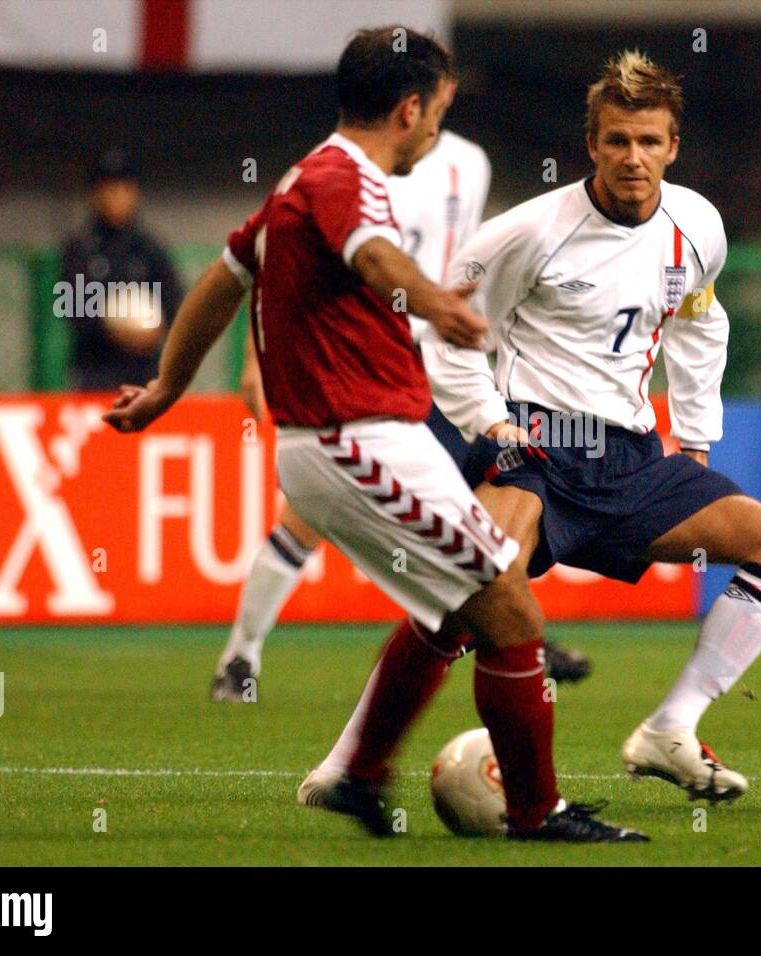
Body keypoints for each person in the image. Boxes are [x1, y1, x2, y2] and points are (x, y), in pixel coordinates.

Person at [104, 26, 643, 843]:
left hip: (366, 437)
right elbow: (379, 261)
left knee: (456, 617)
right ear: (409, 107)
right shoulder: (342, 179)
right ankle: (536, 813)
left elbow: (221, 281)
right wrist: (443, 306)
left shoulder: (305, 177)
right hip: (352, 439)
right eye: (440, 112)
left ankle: (355, 775)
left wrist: (168, 390)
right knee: (509, 607)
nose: (438, 130)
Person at [313, 50, 761, 805]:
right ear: (592, 145)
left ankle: (670, 729)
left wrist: (698, 435)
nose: (633, 159)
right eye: (618, 141)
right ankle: (350, 765)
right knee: (468, 590)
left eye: (649, 142)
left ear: (673, 147)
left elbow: (699, 325)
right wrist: (491, 424)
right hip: (538, 448)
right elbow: (450, 329)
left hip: (633, 456)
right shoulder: (528, 232)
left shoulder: (699, 226)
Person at [213, 127, 591, 702]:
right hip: (365, 357)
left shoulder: (470, 161)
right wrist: (253, 358)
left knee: (498, 491)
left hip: (441, 360)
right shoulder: (343, 165)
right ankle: (241, 654)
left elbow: (473, 260)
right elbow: (276, 259)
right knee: (309, 517)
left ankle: (510, 628)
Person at [60, 149, 183, 391]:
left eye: (123, 188)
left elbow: (173, 300)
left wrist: (153, 332)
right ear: (96, 194)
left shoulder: (149, 249)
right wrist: (115, 331)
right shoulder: (81, 249)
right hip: (95, 371)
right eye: (109, 188)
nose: (116, 197)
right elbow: (72, 307)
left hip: (144, 372)